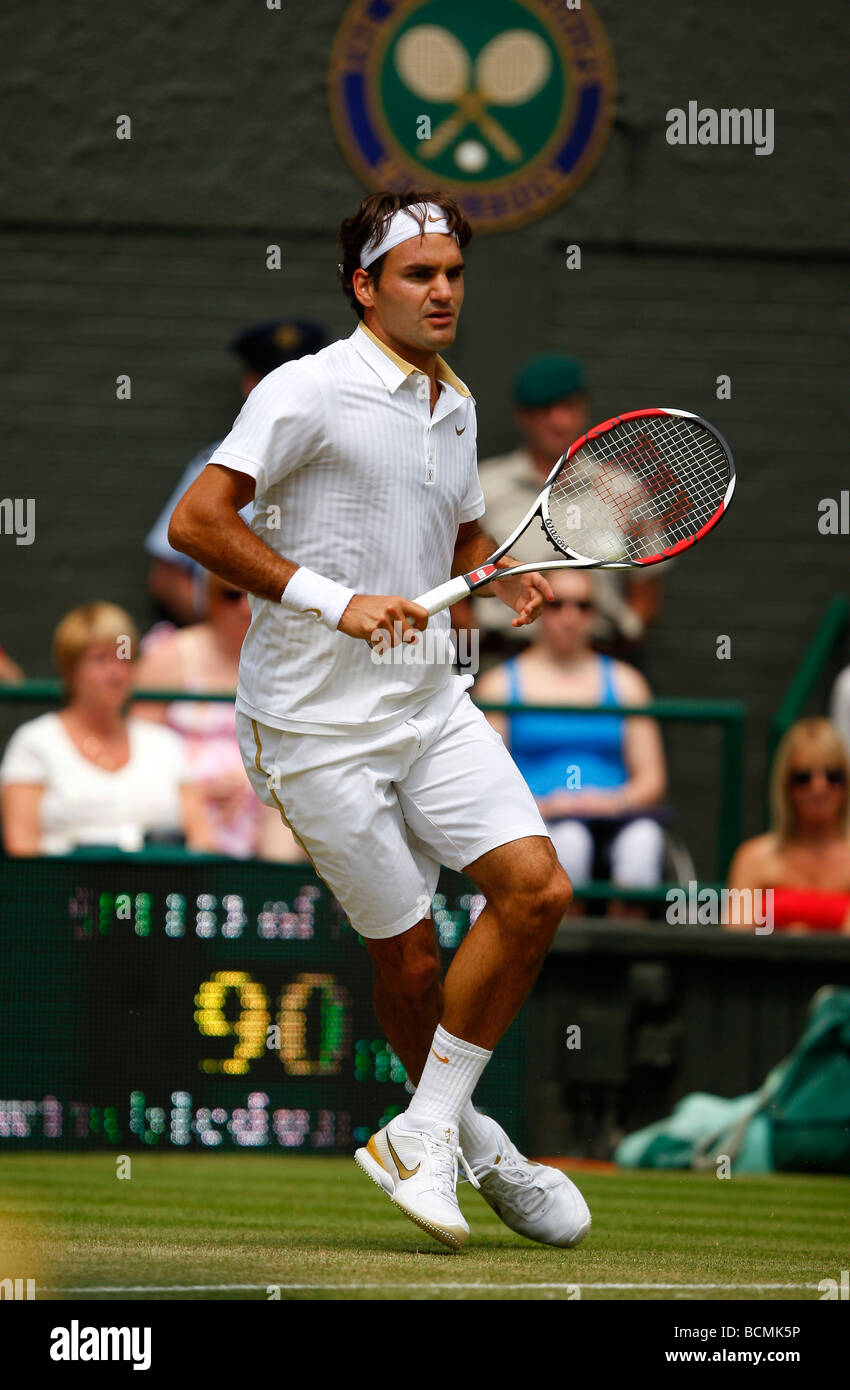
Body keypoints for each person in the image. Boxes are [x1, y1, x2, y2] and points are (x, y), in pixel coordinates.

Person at [166, 188, 590, 1252]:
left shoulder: (457, 401)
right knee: (408, 962)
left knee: (536, 891)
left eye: (453, 273)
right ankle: (478, 1146)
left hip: (428, 699)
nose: (443, 290)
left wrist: (494, 574)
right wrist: (335, 600)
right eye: (418, 274)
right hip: (312, 728)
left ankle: (427, 1129)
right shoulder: (304, 389)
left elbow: (457, 536)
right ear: (365, 286)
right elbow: (197, 523)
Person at [474, 569, 667, 895]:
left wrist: (610, 803)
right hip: (534, 822)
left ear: (595, 613)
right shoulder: (499, 686)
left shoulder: (627, 683)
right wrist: (548, 807)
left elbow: (652, 780)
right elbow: (486, 783)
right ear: (536, 608)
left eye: (582, 605)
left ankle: (625, 928)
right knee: (570, 841)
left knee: (643, 844)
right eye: (557, 604)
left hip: (616, 819)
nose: (569, 616)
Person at [477, 353, 668, 659]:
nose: (559, 421)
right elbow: (453, 568)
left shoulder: (624, 491)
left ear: (585, 409)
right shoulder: (485, 489)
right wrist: (474, 639)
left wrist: (626, 637)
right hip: (505, 657)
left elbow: (647, 584)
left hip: (600, 656)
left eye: (569, 406)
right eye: (544, 409)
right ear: (522, 416)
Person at [145, 319, 326, 626]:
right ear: (249, 385)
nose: (286, 395)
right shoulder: (217, 462)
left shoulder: (350, 456)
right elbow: (168, 575)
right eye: (271, 381)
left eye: (297, 383)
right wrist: (224, 635)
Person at [0, 603, 214, 856]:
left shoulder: (165, 744)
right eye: (100, 659)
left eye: (123, 658)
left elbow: (202, 840)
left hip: (161, 880)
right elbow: (22, 845)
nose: (116, 673)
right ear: (71, 670)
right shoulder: (34, 742)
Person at [132, 572, 305, 861]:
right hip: (184, 812)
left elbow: (304, 747)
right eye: (231, 595)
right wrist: (192, 791)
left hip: (269, 812)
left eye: (256, 596)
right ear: (207, 598)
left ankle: (276, 889)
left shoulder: (292, 665)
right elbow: (138, 748)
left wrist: (255, 784)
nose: (244, 607)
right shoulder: (169, 656)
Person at [725, 718, 850, 932]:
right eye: (804, 778)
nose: (819, 788)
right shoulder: (753, 858)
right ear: (786, 786)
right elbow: (736, 937)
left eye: (832, 776)